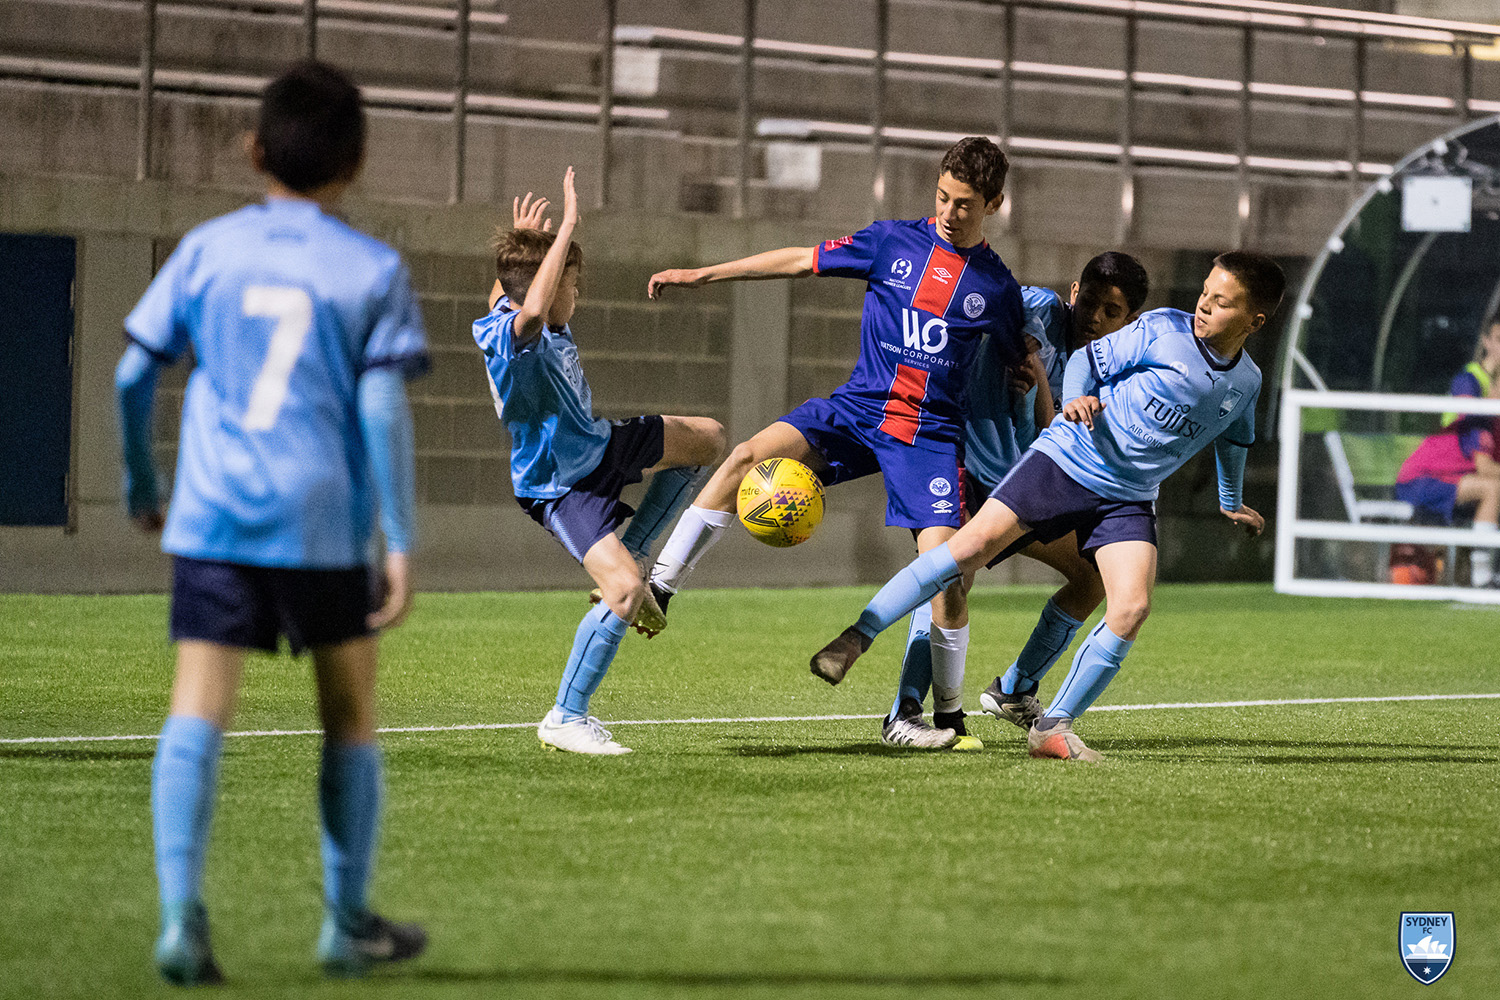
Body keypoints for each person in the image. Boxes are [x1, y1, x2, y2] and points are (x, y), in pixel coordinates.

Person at [115, 61, 430, 984]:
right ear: (358, 161)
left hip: (213, 519)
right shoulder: (372, 269)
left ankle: (181, 919)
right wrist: (400, 539)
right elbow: (381, 413)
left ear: (254, 151)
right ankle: (344, 924)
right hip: (323, 525)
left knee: (196, 713)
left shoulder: (209, 249)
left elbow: (134, 375)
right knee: (349, 718)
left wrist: (142, 484)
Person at [809, 251, 1284, 761]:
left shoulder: (1246, 381)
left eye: (1221, 302)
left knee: (1131, 605)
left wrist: (1231, 500)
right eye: (1205, 292)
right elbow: (1085, 360)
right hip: (1065, 462)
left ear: (1254, 321)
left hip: (1129, 496)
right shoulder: (1161, 329)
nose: (1204, 306)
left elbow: (1235, 438)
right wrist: (1073, 399)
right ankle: (859, 638)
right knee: (962, 556)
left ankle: (1049, 724)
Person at [644, 137, 1030, 748]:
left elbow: (1018, 356)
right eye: (942, 197)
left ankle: (941, 718)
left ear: (994, 204)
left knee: (948, 573)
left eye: (965, 204)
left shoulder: (998, 288)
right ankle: (660, 587)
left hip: (926, 435)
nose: (950, 212)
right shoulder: (891, 241)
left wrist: (1028, 369)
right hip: (856, 408)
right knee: (747, 455)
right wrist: (706, 273)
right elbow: (800, 259)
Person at [474, 167, 726, 755]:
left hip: (599, 442)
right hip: (561, 484)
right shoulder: (517, 339)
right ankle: (566, 716)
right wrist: (564, 231)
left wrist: (524, 243)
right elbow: (528, 308)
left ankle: (637, 551)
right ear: (546, 286)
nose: (578, 293)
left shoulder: (512, 309)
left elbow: (510, 290)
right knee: (622, 592)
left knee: (708, 439)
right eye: (572, 281)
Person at [891, 253, 1151, 749]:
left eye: (1110, 311)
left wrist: (1037, 386)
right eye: (1090, 302)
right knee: (950, 576)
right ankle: (905, 713)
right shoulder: (1037, 305)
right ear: (1074, 293)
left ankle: (1015, 688)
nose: (1094, 317)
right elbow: (983, 306)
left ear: (1129, 320)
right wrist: (1008, 338)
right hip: (956, 458)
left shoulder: (1105, 370)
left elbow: (1047, 432)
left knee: (1095, 575)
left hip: (1012, 482)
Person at [1393, 318, 1500, 586]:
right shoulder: (1469, 382)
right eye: (1499, 339)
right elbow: (1485, 466)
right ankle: (1483, 579)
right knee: (1493, 489)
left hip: (1450, 478)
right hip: (1423, 479)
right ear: (1486, 341)